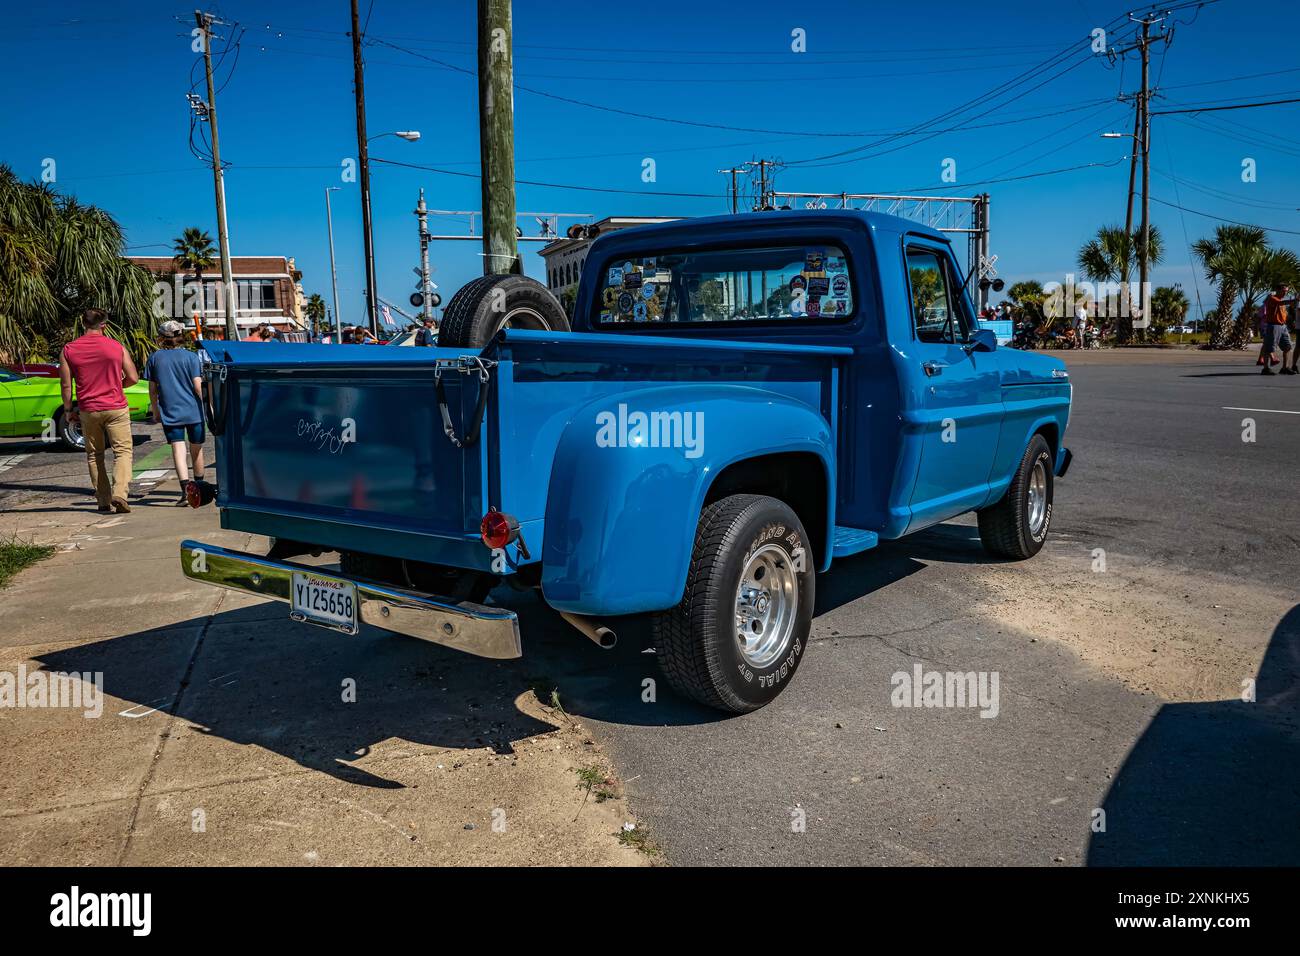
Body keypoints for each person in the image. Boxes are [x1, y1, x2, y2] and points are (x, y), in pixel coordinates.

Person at [60, 308, 139, 513]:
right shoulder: (116, 347)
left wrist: (69, 410)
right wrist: (114, 386)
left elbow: (66, 385)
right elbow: (133, 377)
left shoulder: (69, 349)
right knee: (122, 452)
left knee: (95, 455)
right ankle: (120, 493)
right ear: (104, 325)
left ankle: (103, 500)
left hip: (88, 409)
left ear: (83, 323)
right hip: (116, 407)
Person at [143, 320, 206, 505]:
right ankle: (200, 489)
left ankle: (185, 492)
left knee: (178, 450)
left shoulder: (155, 358)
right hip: (194, 411)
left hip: (170, 411)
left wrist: (155, 411)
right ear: (181, 335)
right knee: (197, 448)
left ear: (162, 338)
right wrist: (209, 405)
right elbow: (197, 386)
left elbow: (153, 390)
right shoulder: (192, 357)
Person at [1262, 284, 1295, 376]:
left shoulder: (1282, 300)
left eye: (1287, 291)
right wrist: (1294, 300)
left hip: (1282, 326)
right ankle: (1266, 368)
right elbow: (1280, 303)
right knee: (1269, 348)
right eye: (1284, 291)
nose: (1285, 292)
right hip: (1273, 326)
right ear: (1278, 290)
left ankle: (1285, 367)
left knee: (1288, 346)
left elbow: (1284, 310)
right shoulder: (1272, 299)